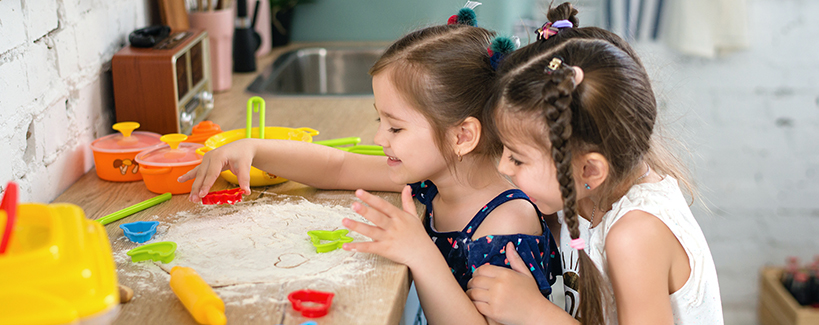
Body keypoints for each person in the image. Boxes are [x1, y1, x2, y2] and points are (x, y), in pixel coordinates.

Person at [179, 6, 561, 324]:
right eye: (381, 120)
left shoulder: (506, 223)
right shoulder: (435, 180)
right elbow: (339, 167)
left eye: (395, 126)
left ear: (462, 136)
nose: (379, 138)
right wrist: (254, 149)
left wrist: (421, 254)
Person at [466, 3, 724, 324]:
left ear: (590, 170)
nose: (503, 167)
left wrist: (534, 312)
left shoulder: (635, 235)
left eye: (517, 158)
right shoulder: (587, 192)